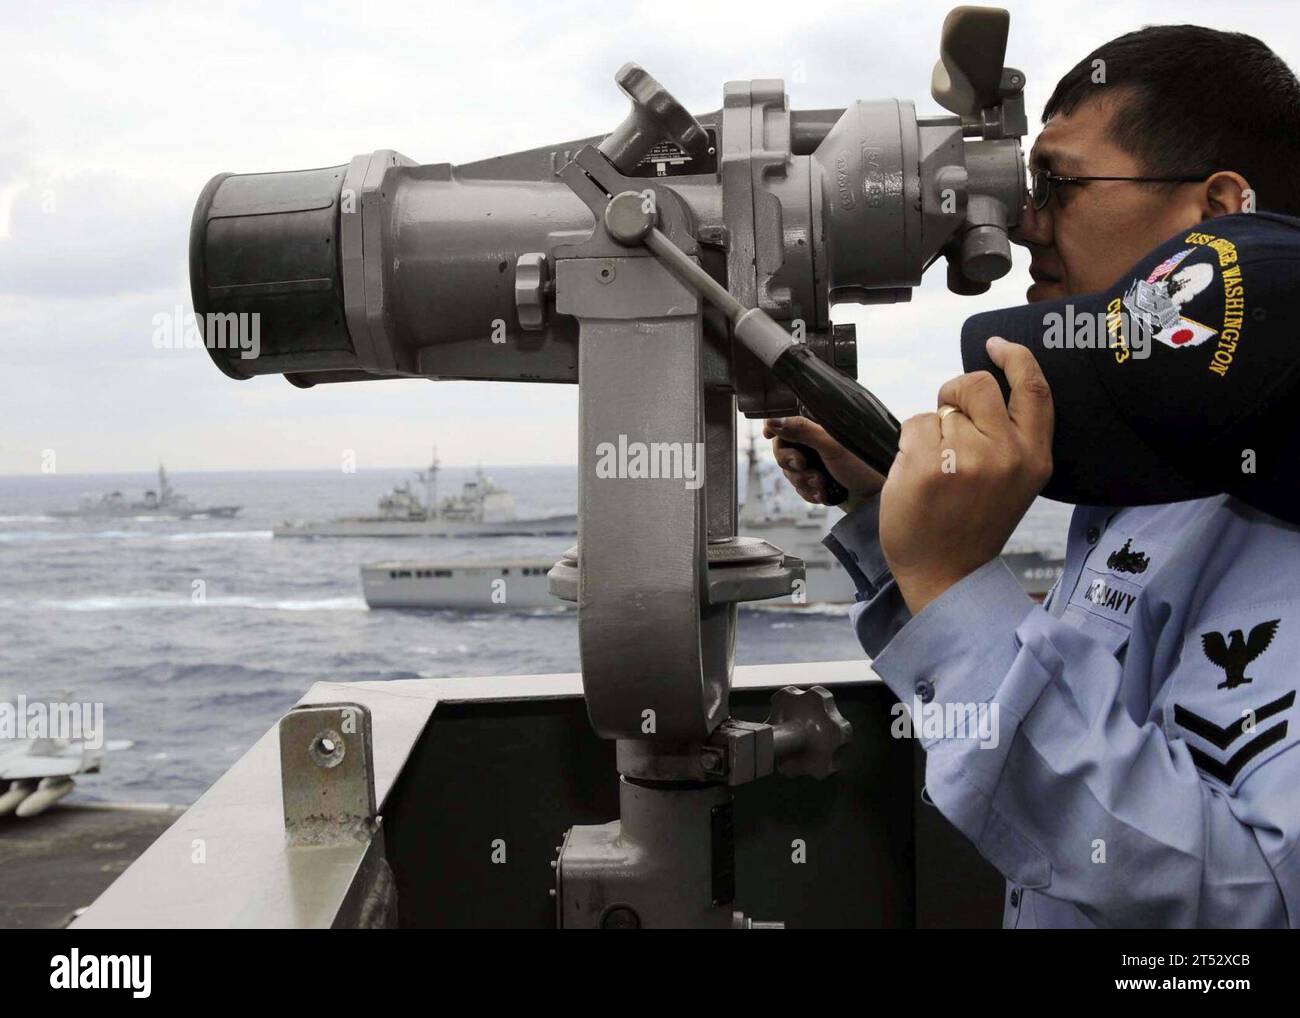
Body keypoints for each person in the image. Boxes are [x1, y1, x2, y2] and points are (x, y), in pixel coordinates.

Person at [768, 24, 1300, 927]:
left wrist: (958, 584)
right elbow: (1076, 725)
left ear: (1214, 208)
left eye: (1058, 182)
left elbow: (1248, 906)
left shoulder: (1276, 486)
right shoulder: (1159, 450)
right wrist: (890, 524)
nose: (1022, 221)